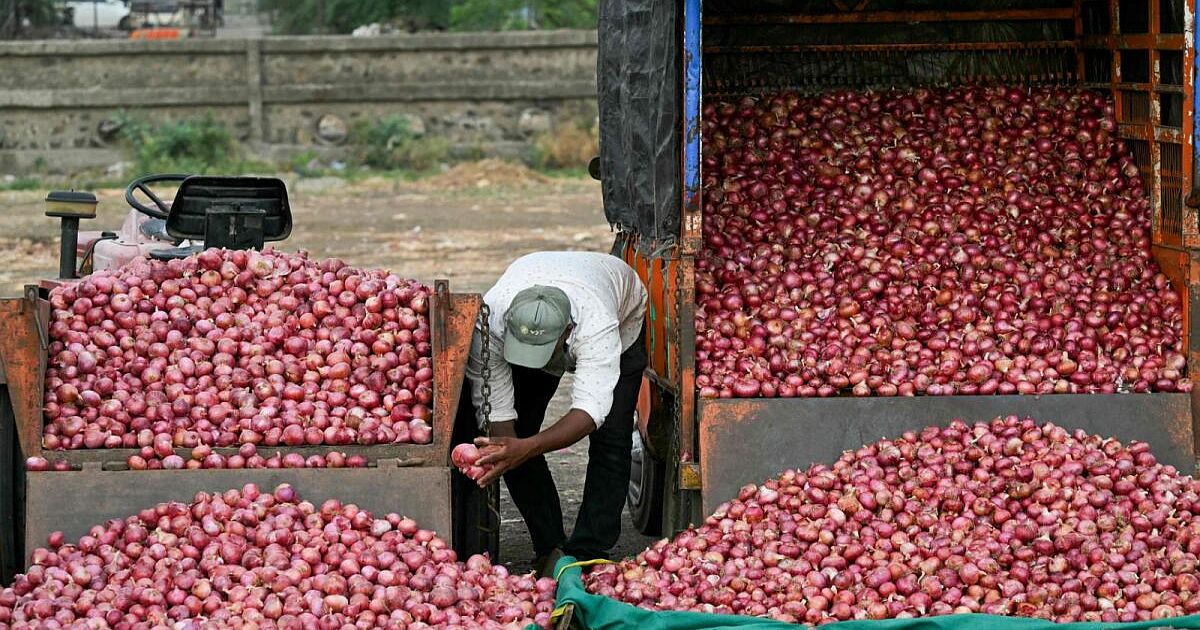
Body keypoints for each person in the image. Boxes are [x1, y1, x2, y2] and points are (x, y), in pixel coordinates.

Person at [462, 251, 647, 577]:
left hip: (622, 314)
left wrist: (529, 447)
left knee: (611, 439)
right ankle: (549, 545)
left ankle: (587, 551)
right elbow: (497, 411)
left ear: (567, 331)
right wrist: (511, 447)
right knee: (513, 441)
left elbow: (591, 411)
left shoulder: (596, 323)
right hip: (539, 285)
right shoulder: (491, 318)